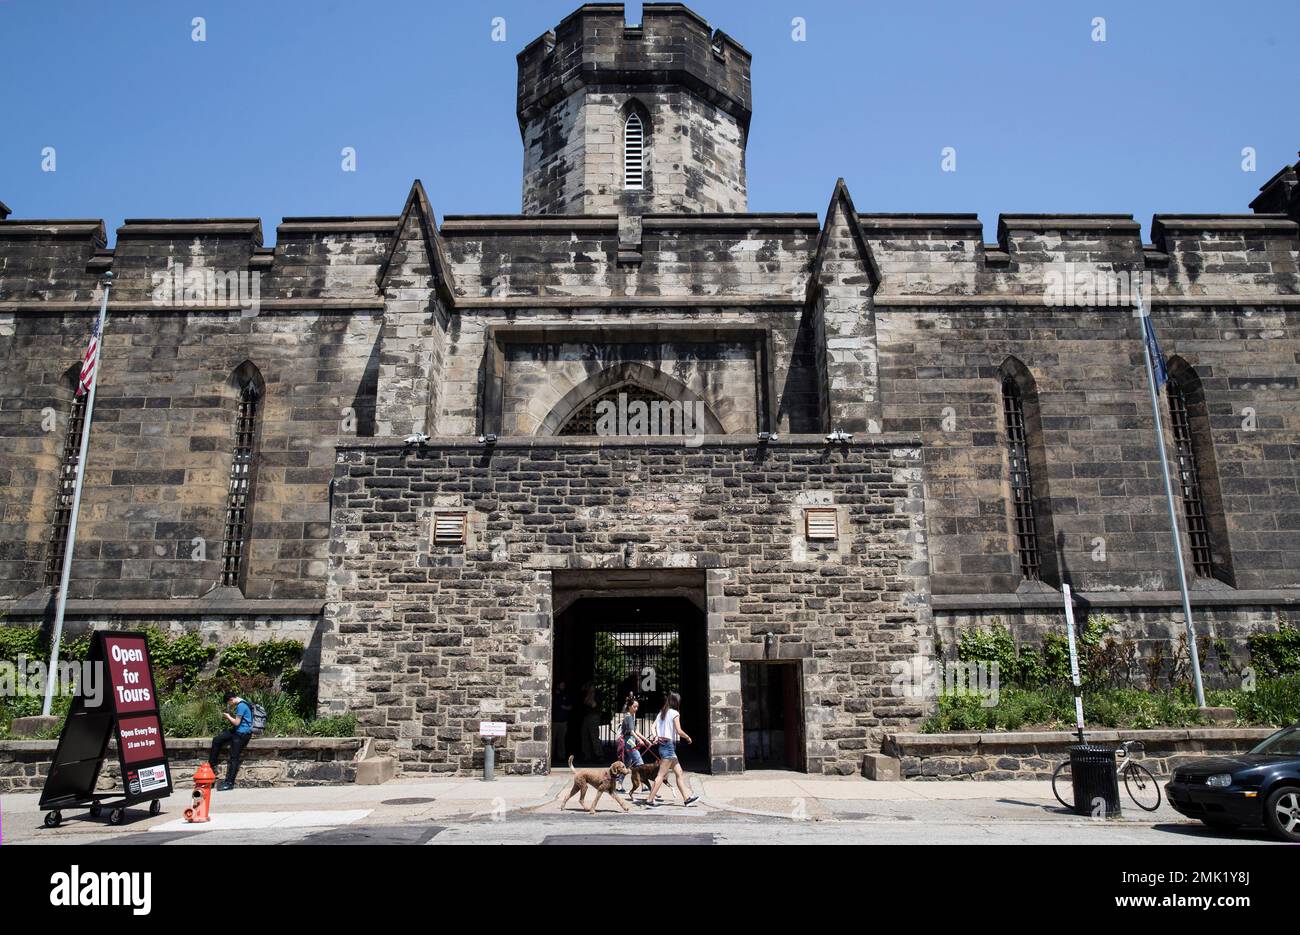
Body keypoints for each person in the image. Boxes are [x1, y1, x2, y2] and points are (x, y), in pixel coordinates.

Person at [645, 691, 698, 808]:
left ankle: (686, 799)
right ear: (676, 702)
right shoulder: (675, 713)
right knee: (661, 775)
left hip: (664, 745)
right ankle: (650, 799)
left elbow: (653, 727)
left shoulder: (662, 713)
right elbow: (679, 731)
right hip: (668, 746)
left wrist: (655, 736)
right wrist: (688, 737)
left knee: (679, 773)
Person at [210, 691, 254, 790]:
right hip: (237, 731)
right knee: (217, 740)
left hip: (242, 734)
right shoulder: (242, 702)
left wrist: (228, 716)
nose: (229, 705)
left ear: (231, 700)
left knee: (234, 757)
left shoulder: (241, 706)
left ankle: (229, 783)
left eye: (229, 703)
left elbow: (236, 723)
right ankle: (212, 765)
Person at [619, 694, 654, 797]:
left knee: (627, 765)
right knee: (640, 764)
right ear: (629, 706)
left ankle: (619, 785)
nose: (636, 709)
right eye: (634, 706)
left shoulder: (630, 716)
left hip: (629, 742)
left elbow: (636, 731)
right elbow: (631, 732)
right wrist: (640, 740)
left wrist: (645, 740)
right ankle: (643, 786)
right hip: (630, 742)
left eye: (637, 707)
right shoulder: (629, 717)